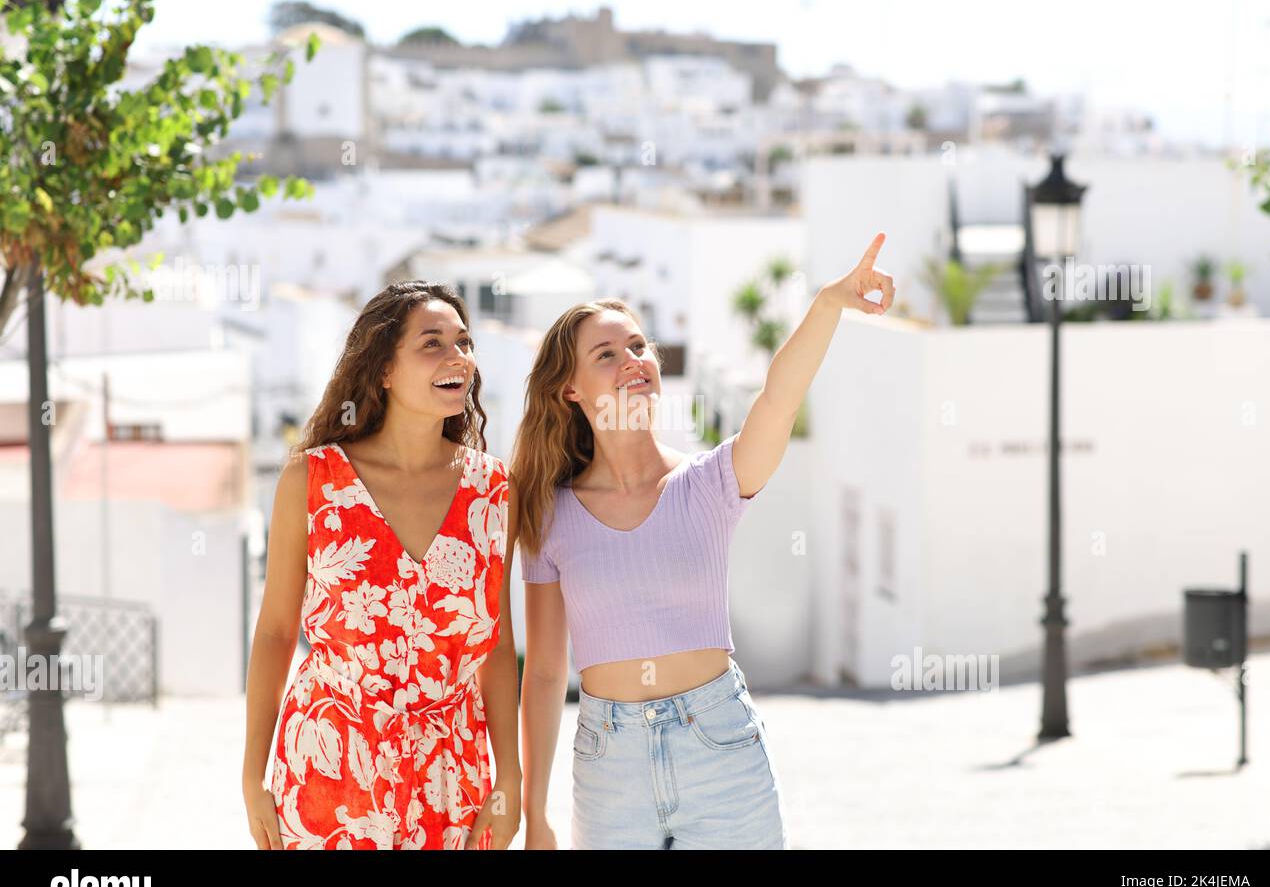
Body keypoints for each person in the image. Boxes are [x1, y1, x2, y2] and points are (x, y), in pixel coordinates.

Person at [511, 233, 894, 849]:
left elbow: (777, 398)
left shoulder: (710, 484)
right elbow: (548, 672)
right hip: (611, 770)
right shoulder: (549, 516)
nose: (633, 359)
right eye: (606, 354)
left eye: (638, 345)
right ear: (570, 391)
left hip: (721, 751)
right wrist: (535, 812)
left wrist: (828, 304)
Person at [242, 281, 521, 850]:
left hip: (453, 776)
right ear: (384, 370)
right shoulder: (312, 480)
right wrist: (253, 775)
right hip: (329, 765)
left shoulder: (493, 490)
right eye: (432, 343)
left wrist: (509, 777)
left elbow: (495, 644)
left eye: (463, 342)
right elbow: (274, 631)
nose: (457, 357)